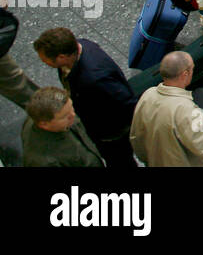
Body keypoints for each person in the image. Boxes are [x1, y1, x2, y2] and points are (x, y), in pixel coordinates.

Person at [31, 29, 136, 167]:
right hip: (94, 115)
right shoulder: (79, 45)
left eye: (46, 60)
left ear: (62, 57)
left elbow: (126, 103)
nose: (44, 62)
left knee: (119, 161)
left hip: (110, 132)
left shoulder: (96, 79)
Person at [130, 50, 203, 167]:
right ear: (185, 74)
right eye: (192, 68)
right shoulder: (188, 109)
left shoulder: (148, 95)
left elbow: (136, 138)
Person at [21, 87, 105, 168]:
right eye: (65, 116)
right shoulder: (43, 162)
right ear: (44, 124)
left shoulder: (40, 116)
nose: (73, 115)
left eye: (71, 107)